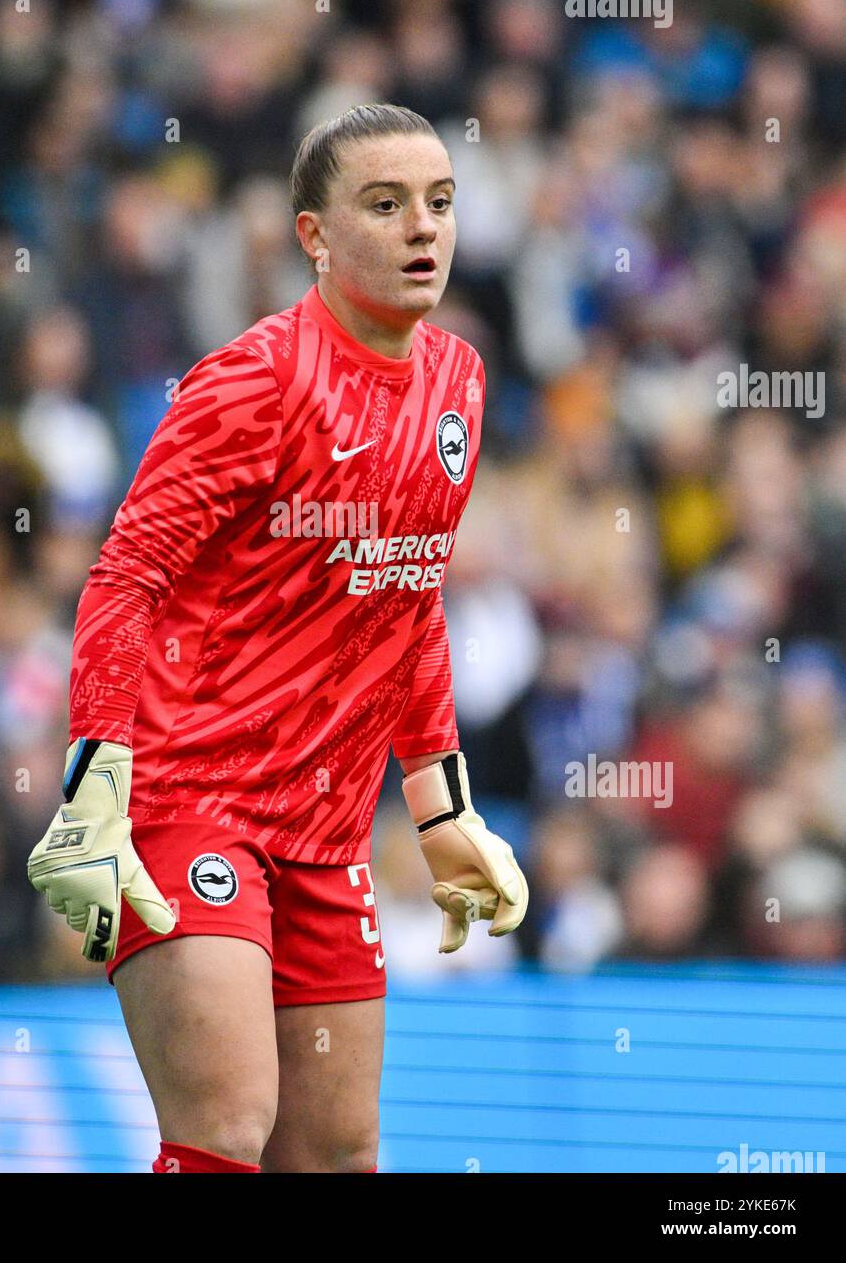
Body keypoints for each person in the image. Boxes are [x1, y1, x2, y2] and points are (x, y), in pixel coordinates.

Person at [27, 103, 528, 1174]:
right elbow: (127, 577)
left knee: (337, 1154)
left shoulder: (458, 383)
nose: (421, 230)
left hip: (327, 829)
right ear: (312, 235)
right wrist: (92, 778)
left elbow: (408, 597)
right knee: (225, 1129)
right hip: (184, 800)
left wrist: (440, 809)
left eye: (438, 203)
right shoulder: (252, 382)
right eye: (384, 205)